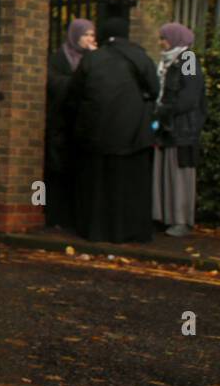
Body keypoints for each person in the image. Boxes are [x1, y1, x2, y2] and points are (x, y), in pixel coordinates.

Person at [65, 16, 158, 243]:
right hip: (134, 134)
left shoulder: (92, 59)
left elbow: (74, 94)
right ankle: (131, 231)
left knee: (98, 186)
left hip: (97, 133)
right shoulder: (141, 57)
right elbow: (154, 90)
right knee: (130, 186)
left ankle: (96, 230)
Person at [152, 22, 206, 237]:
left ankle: (181, 220)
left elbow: (190, 97)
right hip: (169, 127)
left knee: (179, 174)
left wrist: (165, 110)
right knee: (166, 171)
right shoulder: (169, 61)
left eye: (164, 38)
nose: (161, 42)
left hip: (181, 128)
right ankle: (167, 217)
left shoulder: (188, 59)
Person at [45, 18, 96, 228]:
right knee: (58, 171)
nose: (89, 39)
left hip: (82, 124)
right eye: (85, 35)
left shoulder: (94, 58)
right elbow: (55, 84)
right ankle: (54, 214)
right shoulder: (59, 58)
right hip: (61, 123)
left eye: (92, 35)